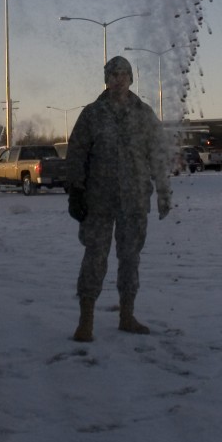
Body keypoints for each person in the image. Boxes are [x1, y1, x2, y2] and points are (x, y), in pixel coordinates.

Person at [66, 54, 171, 342]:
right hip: (98, 200)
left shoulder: (144, 113)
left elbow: (158, 154)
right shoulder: (92, 114)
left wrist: (163, 191)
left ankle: (127, 316)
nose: (118, 79)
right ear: (106, 79)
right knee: (95, 257)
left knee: (130, 257)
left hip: (135, 198)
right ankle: (85, 320)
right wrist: (75, 191)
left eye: (123, 74)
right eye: (113, 74)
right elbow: (76, 152)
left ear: (131, 78)